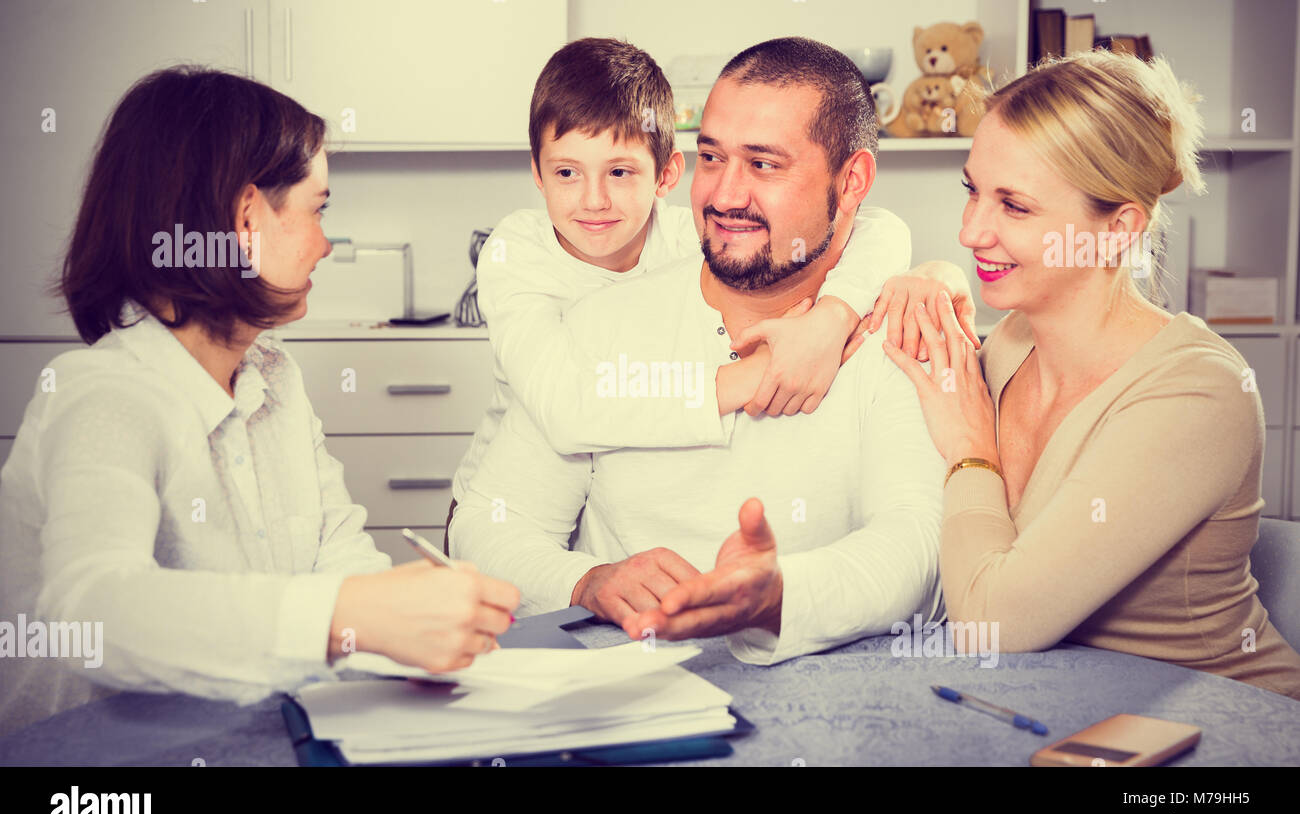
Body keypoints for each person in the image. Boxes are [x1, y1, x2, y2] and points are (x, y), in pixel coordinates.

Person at [0, 67, 519, 737]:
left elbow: (338, 552)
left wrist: (400, 630)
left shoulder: (275, 377)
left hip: (243, 735)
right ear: (247, 220)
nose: (327, 242)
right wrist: (344, 616)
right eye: (318, 207)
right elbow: (91, 611)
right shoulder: (104, 394)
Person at [451, 38, 951, 666]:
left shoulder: (896, 329)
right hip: (622, 696)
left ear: (852, 182)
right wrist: (585, 582)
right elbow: (491, 524)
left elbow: (920, 547)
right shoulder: (589, 323)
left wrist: (774, 598)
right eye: (712, 156)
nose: (725, 195)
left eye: (764, 164)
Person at [885, 50, 1300, 699]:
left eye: (1014, 207)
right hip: (1058, 705)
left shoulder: (1197, 394)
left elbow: (994, 623)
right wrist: (930, 277)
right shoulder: (1016, 337)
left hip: (1218, 723)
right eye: (973, 189)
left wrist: (970, 451)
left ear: (1117, 230)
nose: (970, 231)